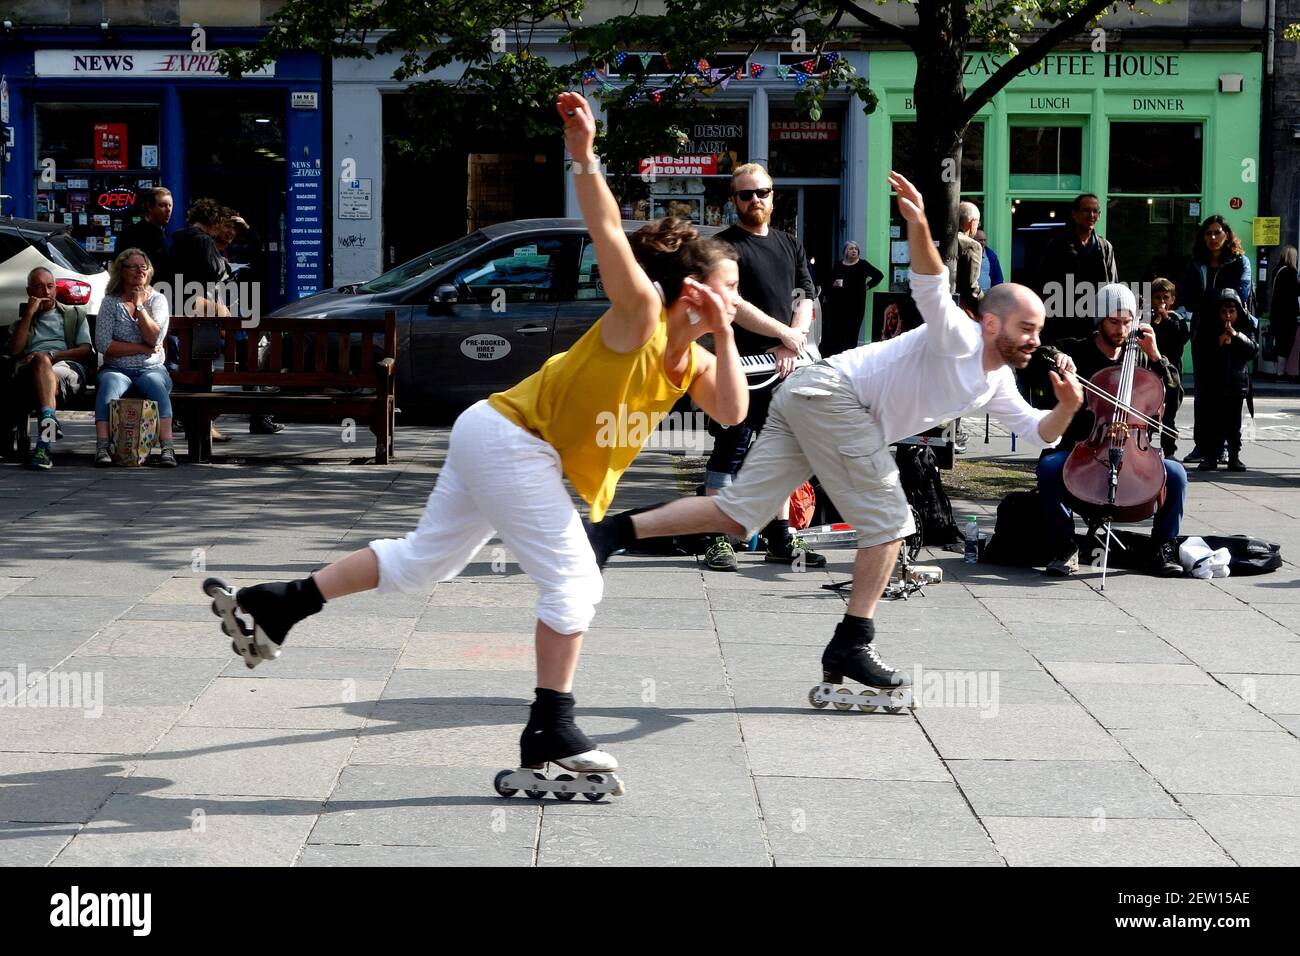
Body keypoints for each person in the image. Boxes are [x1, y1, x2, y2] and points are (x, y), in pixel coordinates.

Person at [201, 91, 747, 795]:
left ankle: (279, 602)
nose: (737, 300)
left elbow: (732, 413)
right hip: (513, 442)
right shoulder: (640, 315)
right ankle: (553, 723)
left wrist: (728, 333)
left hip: (495, 435)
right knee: (575, 580)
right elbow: (609, 231)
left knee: (424, 563)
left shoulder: (698, 360)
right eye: (727, 290)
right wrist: (583, 154)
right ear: (690, 290)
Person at [588, 171, 1083, 708]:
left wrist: (1067, 406)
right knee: (891, 520)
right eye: (1027, 328)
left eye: (1039, 329)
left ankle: (611, 532)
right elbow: (931, 283)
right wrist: (916, 223)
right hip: (831, 395)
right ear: (991, 324)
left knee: (738, 514)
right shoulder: (960, 335)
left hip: (809, 398)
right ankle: (852, 644)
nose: (1036, 339)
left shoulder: (997, 381)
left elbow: (1037, 433)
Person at [704, 162, 826, 572]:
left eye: (762, 192)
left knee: (778, 452)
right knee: (731, 448)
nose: (755, 199)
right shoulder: (723, 247)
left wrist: (796, 338)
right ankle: (717, 537)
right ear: (733, 200)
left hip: (786, 366)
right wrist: (785, 336)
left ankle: (779, 536)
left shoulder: (789, 243)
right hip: (739, 366)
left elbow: (805, 295)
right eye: (745, 194)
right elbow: (732, 304)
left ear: (774, 197)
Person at [1030, 284, 1186, 577]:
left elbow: (1173, 397)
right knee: (1049, 468)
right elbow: (1038, 355)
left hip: (1133, 451)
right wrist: (1056, 356)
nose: (1121, 329)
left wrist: (1156, 356)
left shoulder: (1141, 357)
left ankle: (1163, 548)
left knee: (1176, 475)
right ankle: (1065, 546)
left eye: (1127, 322)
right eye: (1113, 322)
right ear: (1099, 320)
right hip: (1084, 448)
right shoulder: (1078, 349)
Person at [1179, 215, 1254, 463]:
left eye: (1217, 232)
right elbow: (1189, 297)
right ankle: (1203, 446)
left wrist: (1212, 303)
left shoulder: (1239, 262)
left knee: (1228, 394)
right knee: (1204, 393)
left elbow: (1238, 294)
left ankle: (1223, 448)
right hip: (1203, 333)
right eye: (1208, 233)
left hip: (1229, 332)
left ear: (1227, 235)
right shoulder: (1196, 264)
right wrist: (1216, 301)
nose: (1212, 237)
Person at [93, 248, 177, 467]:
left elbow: (155, 337)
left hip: (151, 369)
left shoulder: (157, 300)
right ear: (122, 271)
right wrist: (141, 347)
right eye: (134, 266)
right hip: (117, 369)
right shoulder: (110, 302)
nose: (140, 271)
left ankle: (167, 448)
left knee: (156, 385)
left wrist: (140, 306)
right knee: (109, 385)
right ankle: (102, 447)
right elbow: (104, 345)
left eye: (144, 266)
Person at [5, 267, 94, 470]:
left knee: (42, 360)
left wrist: (51, 356)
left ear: (55, 289)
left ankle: (45, 439)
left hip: (66, 369)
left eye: (50, 286)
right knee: (39, 362)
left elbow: (85, 350)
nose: (46, 292)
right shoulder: (22, 322)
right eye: (39, 287)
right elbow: (14, 351)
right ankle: (44, 442)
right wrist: (28, 313)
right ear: (30, 292)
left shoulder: (74, 315)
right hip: (31, 375)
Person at [1191, 288, 1258, 472]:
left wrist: (1236, 337)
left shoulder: (1244, 327)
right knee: (1212, 423)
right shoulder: (1210, 328)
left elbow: (1253, 350)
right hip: (1214, 385)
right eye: (1224, 311)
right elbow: (1202, 353)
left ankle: (1234, 457)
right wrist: (1218, 344)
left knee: (1234, 425)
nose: (1228, 316)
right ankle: (1211, 456)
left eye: (1231, 311)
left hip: (1236, 385)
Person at [1037, 193, 1119, 343]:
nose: (1092, 215)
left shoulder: (1105, 247)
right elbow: (1044, 285)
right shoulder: (1057, 246)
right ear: (1074, 214)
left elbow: (1112, 286)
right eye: (1087, 210)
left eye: (1096, 211)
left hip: (1095, 323)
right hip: (1063, 322)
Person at [820, 241, 884, 357]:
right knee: (838, 333)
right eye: (851, 249)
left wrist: (868, 285)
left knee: (852, 333)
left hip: (856, 305)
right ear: (845, 251)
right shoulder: (839, 265)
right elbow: (829, 282)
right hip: (838, 305)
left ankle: (850, 357)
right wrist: (834, 285)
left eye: (856, 249)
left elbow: (879, 275)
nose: (854, 251)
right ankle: (837, 357)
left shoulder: (863, 265)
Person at [1148, 277, 1189, 459]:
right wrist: (1156, 321)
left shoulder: (1177, 320)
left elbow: (1181, 339)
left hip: (1172, 373)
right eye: (1158, 298)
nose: (1162, 302)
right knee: (1147, 412)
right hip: (1152, 372)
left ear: (1172, 299)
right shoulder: (1147, 320)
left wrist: (1166, 320)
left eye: (1166, 297)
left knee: (1169, 415)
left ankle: (1170, 451)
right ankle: (1145, 445)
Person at [118, 187, 173, 280]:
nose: (168, 210)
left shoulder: (163, 234)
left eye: (170, 206)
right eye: (163, 205)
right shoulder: (131, 234)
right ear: (149, 207)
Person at [1270, 245, 1298, 379]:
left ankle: (1276, 371)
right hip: (1287, 314)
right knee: (1286, 343)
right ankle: (1280, 373)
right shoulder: (1291, 272)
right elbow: (1294, 292)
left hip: (1276, 312)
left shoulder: (1277, 270)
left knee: (1279, 342)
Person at [956, 201, 984, 309]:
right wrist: (985, 303)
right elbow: (972, 287)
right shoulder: (972, 245)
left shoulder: (936, 240)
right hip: (960, 309)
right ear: (973, 223)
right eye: (978, 223)